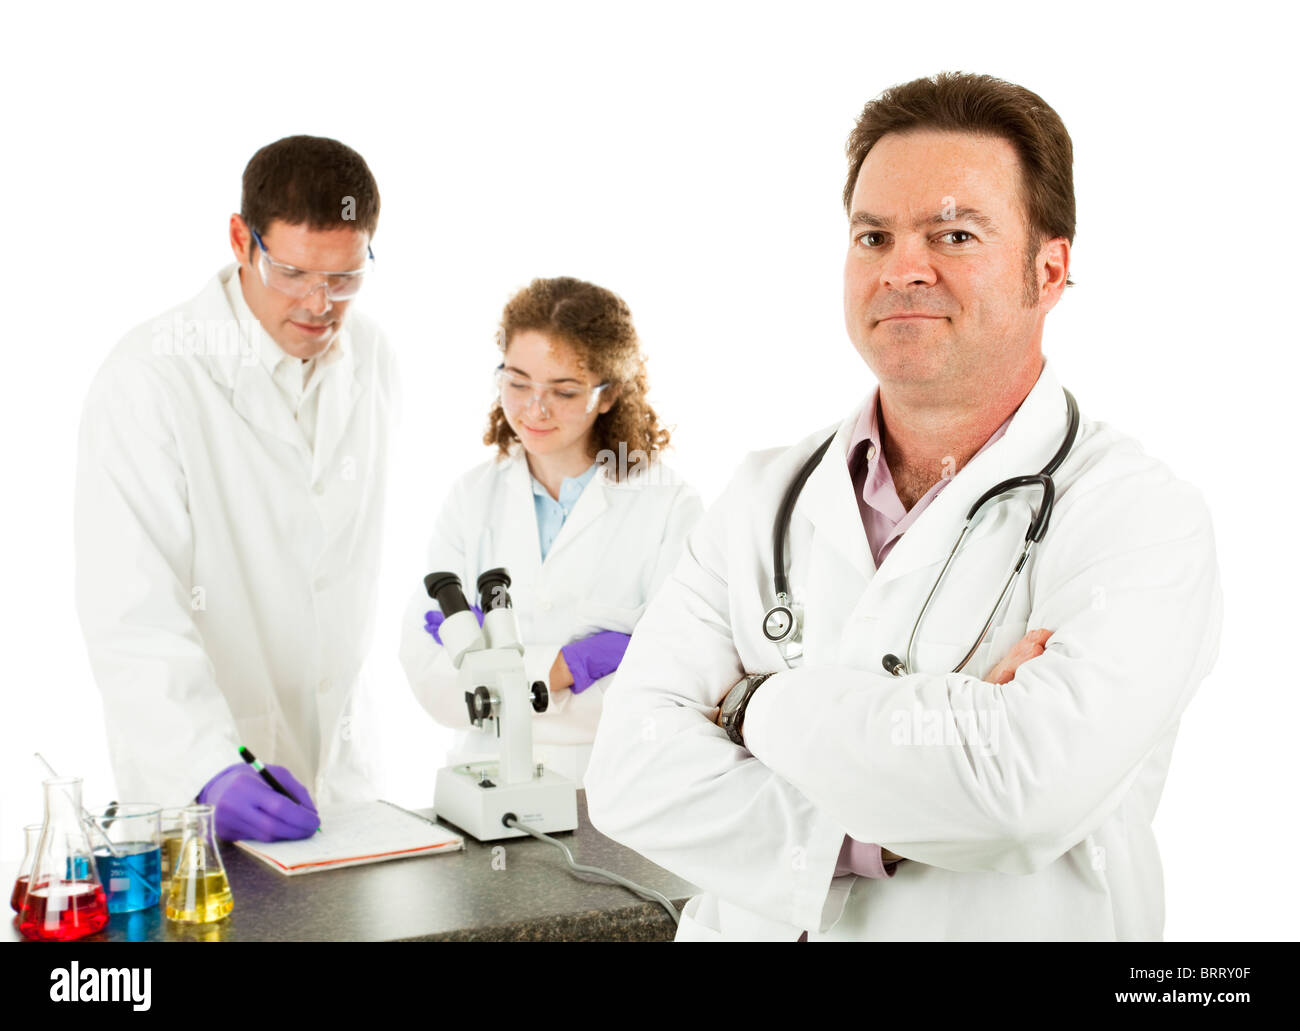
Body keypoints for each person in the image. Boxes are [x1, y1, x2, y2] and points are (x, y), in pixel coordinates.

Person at [584, 72, 1223, 940]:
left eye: (954, 234)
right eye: (873, 236)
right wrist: (886, 816)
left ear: (1051, 267)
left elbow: (1019, 795)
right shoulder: (761, 496)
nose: (903, 269)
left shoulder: (1138, 519)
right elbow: (629, 771)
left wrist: (751, 710)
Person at [75, 136, 397, 841]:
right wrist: (205, 766)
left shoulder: (372, 358)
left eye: (344, 278)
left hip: (341, 791)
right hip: (196, 798)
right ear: (239, 240)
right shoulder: (151, 378)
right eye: (293, 272)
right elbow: (129, 614)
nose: (319, 304)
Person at [398, 277, 703, 786]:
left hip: (611, 790)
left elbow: (673, 685)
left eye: (564, 390)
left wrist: (493, 675)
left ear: (608, 395)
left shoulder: (669, 506)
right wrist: (560, 668)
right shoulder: (472, 498)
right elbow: (428, 673)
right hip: (481, 782)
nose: (534, 409)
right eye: (517, 382)